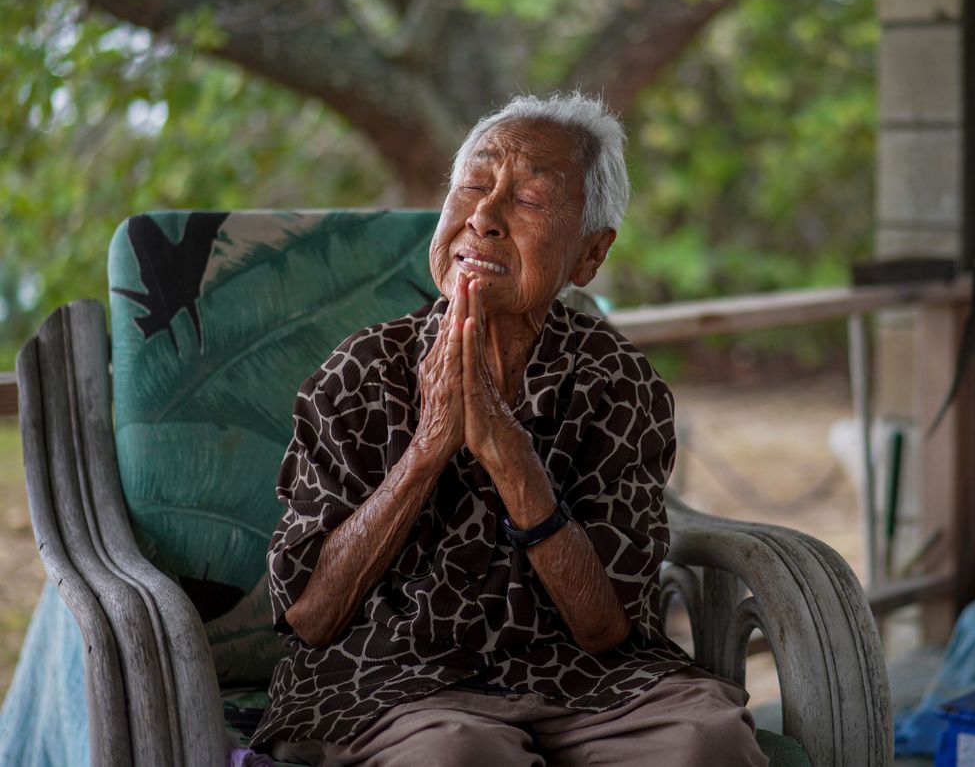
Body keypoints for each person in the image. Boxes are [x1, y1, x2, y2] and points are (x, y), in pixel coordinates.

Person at [250, 92, 768, 766]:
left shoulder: (616, 381)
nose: (484, 218)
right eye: (472, 186)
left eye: (528, 201)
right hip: (389, 679)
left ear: (589, 255)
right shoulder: (362, 370)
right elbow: (311, 617)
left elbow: (607, 628)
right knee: (459, 754)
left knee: (709, 741)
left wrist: (510, 457)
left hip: (586, 678)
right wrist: (429, 448)